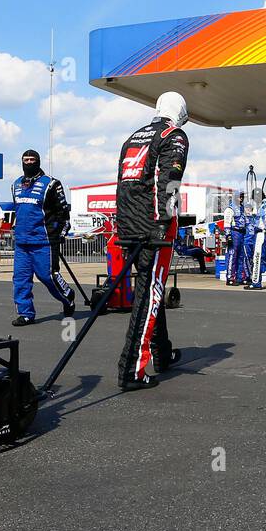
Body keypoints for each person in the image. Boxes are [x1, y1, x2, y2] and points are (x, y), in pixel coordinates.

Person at [114, 91, 190, 391]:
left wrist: (123, 225)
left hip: (129, 225)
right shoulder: (175, 135)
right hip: (154, 227)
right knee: (150, 294)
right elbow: (170, 182)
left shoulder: (133, 137)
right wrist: (163, 222)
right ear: (180, 111)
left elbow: (123, 184)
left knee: (146, 287)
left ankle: (161, 352)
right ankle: (132, 369)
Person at [0, 149, 75, 326]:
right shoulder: (16, 184)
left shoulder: (52, 184)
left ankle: (67, 296)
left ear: (38, 161)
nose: (29, 162)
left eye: (32, 159)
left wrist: (60, 235)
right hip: (22, 242)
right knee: (20, 279)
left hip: (43, 241)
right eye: (26, 159)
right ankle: (26, 314)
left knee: (47, 276)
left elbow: (63, 213)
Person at [225, 192, 250, 286]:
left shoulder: (243, 208)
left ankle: (240, 277)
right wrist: (228, 236)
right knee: (232, 256)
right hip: (234, 233)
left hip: (242, 233)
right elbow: (227, 223)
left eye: (242, 197)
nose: (241, 198)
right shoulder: (230, 208)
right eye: (240, 197)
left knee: (241, 256)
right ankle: (230, 278)